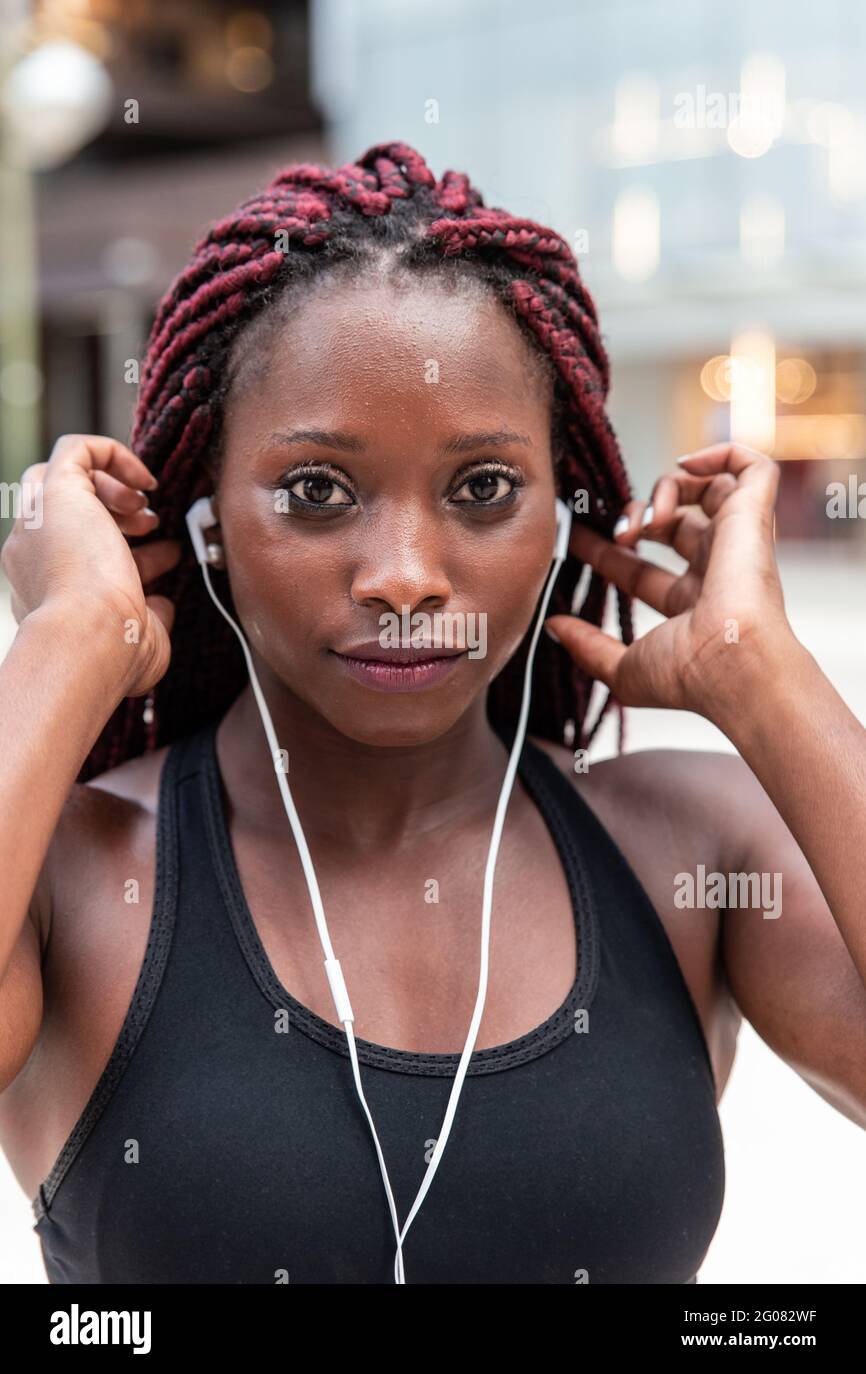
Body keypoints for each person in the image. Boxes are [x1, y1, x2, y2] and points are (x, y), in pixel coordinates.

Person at [0, 141, 864, 1285]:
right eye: (316, 490)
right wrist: (69, 639)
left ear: (567, 511)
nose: (403, 576)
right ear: (202, 519)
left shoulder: (685, 849)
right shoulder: (76, 872)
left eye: (481, 489)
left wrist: (764, 674)